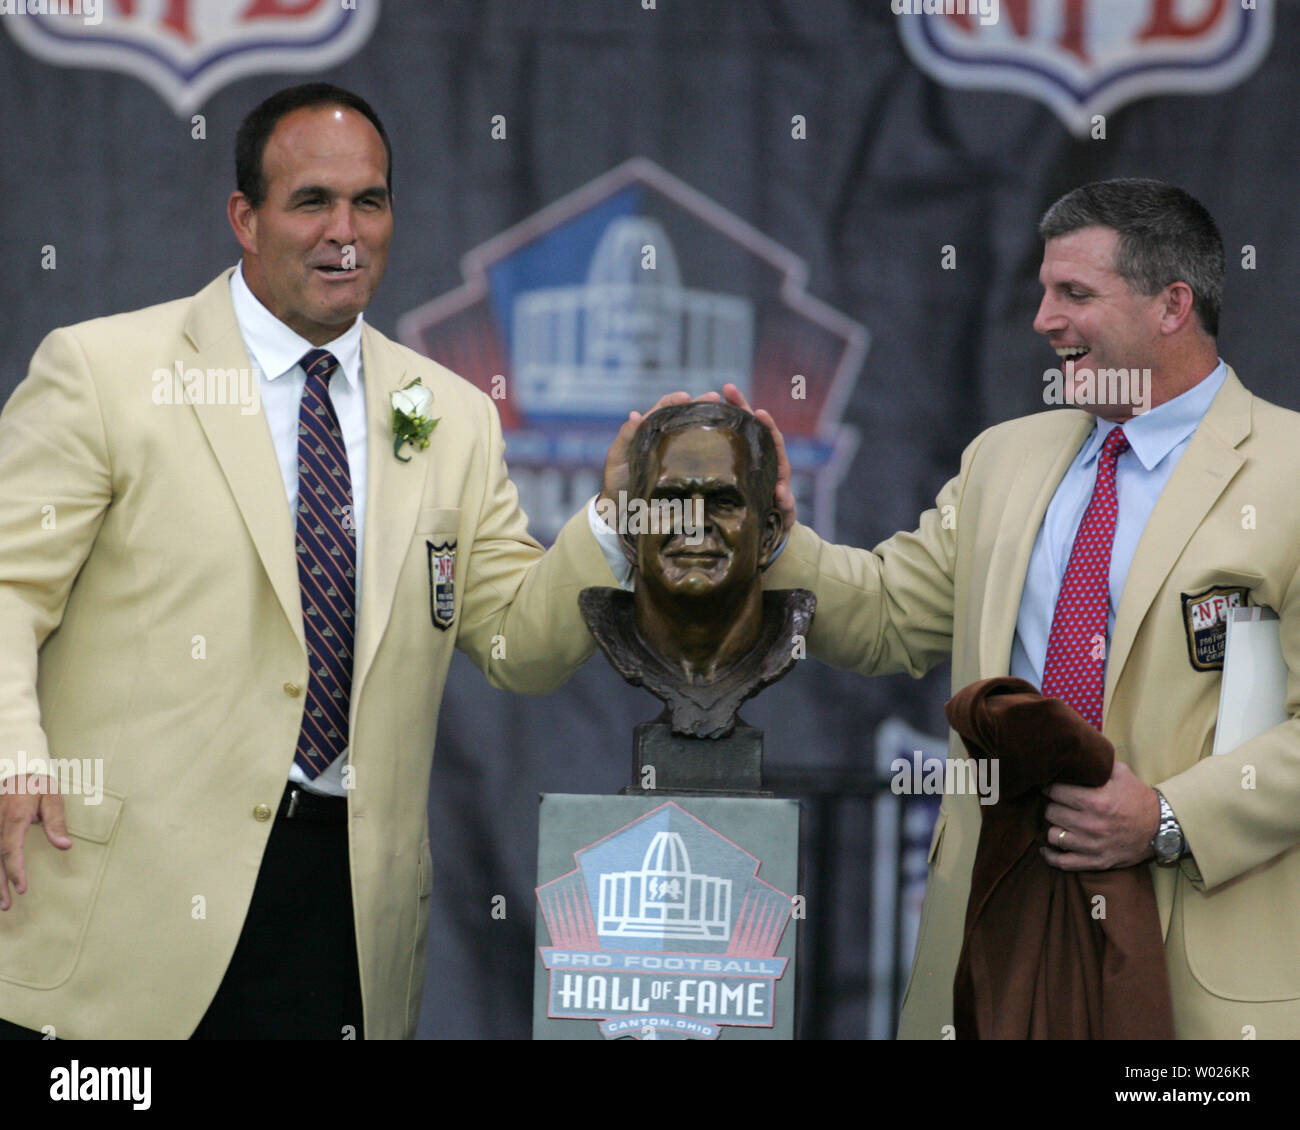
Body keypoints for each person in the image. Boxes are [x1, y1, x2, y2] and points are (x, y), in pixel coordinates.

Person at [0, 83, 674, 1040]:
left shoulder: (450, 413)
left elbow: (521, 646)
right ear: (245, 217)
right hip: (124, 926)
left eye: (370, 201)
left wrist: (608, 523)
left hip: (343, 924)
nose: (345, 232)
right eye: (312, 201)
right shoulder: (103, 371)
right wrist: (12, 755)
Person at [753, 178, 1300, 1039]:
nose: (1044, 319)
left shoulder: (1291, 469)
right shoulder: (1003, 458)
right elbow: (890, 615)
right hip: (997, 923)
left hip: (1195, 954)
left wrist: (1165, 817)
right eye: (1044, 291)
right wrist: (773, 537)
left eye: (1075, 293)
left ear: (1173, 305)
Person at [581, 401, 812, 740]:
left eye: (722, 502)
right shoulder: (606, 625)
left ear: (767, 536)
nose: (694, 524)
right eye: (670, 501)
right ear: (630, 533)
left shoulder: (790, 631)